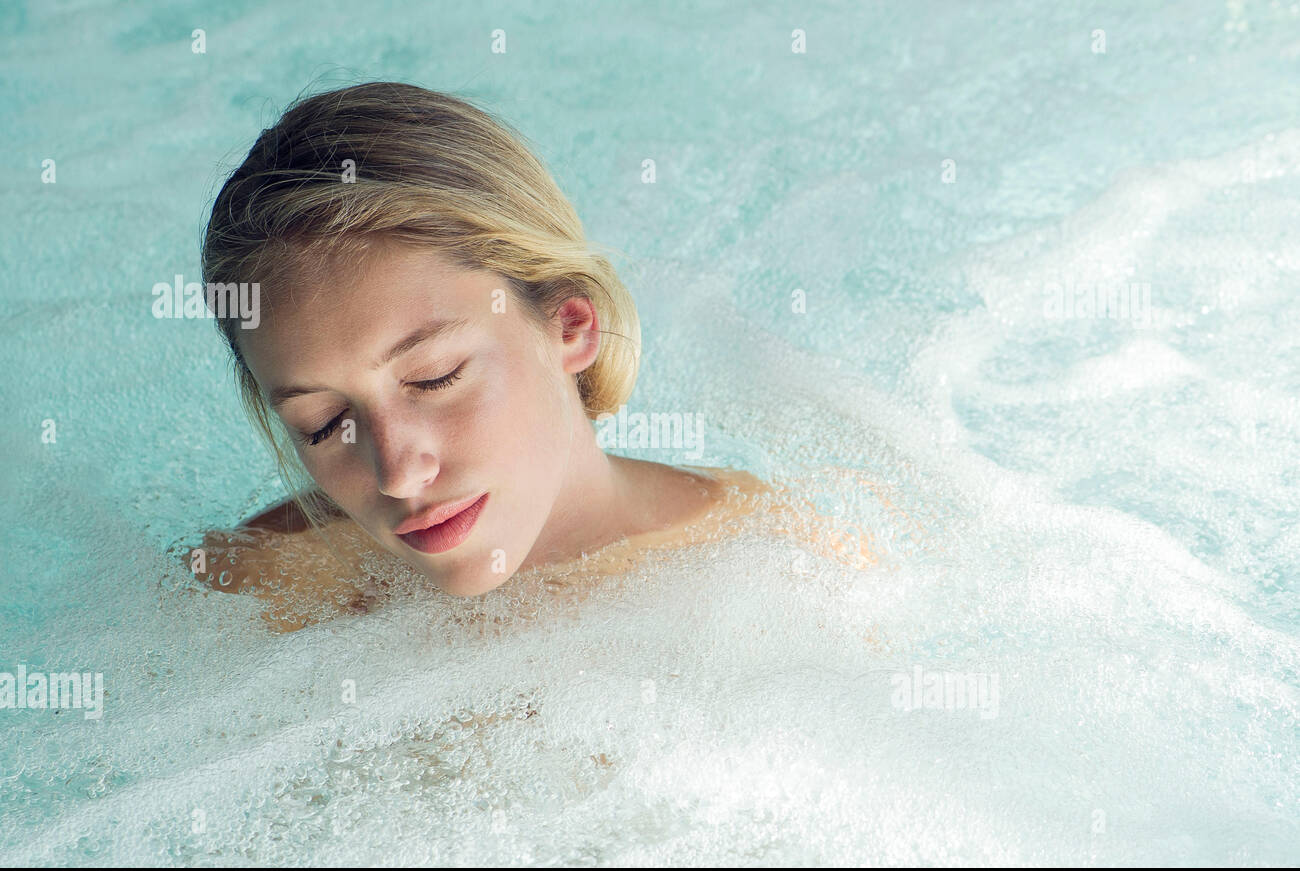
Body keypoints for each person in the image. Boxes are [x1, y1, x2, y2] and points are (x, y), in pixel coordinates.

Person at [191, 81, 881, 633]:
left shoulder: (783, 575)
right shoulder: (267, 581)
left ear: (570, 325)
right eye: (323, 422)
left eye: (435, 377)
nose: (399, 472)